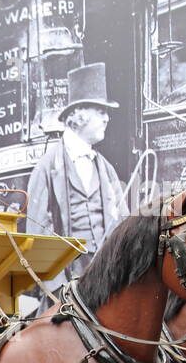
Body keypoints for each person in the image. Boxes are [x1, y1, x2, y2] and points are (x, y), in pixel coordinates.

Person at [24, 63, 126, 280]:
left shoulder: (106, 169)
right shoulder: (47, 167)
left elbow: (123, 224)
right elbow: (37, 233)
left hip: (107, 274)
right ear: (79, 114)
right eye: (101, 111)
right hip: (69, 281)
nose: (107, 118)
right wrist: (60, 290)